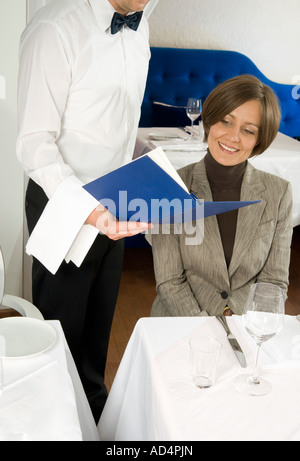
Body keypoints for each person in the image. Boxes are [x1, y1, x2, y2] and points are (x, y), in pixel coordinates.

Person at [17, 0, 159, 422]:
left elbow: (120, 124)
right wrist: (91, 211)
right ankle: (55, 423)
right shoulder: (54, 27)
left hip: (115, 202)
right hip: (63, 206)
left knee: (97, 336)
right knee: (61, 336)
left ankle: (95, 422)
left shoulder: (143, 28)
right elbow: (34, 145)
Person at [150, 75, 293, 317]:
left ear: (260, 139)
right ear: (210, 120)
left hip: (248, 325)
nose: (233, 136)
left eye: (248, 130)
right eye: (225, 122)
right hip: (180, 322)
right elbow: (170, 281)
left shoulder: (279, 193)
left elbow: (274, 282)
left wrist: (242, 326)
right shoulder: (170, 185)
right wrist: (208, 329)